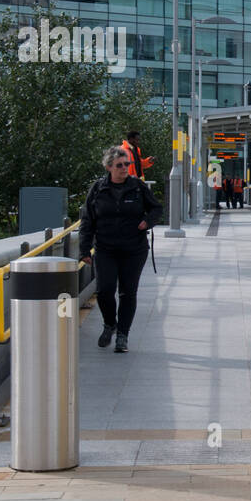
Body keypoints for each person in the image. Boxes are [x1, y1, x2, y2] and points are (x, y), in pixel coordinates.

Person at [79, 145, 162, 353]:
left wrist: (147, 222)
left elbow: (156, 208)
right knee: (104, 290)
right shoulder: (98, 189)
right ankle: (110, 324)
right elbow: (87, 220)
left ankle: (122, 335)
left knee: (127, 292)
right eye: (120, 165)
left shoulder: (137, 186)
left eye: (127, 164)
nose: (125, 168)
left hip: (134, 249)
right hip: (105, 248)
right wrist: (84, 249)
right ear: (109, 167)